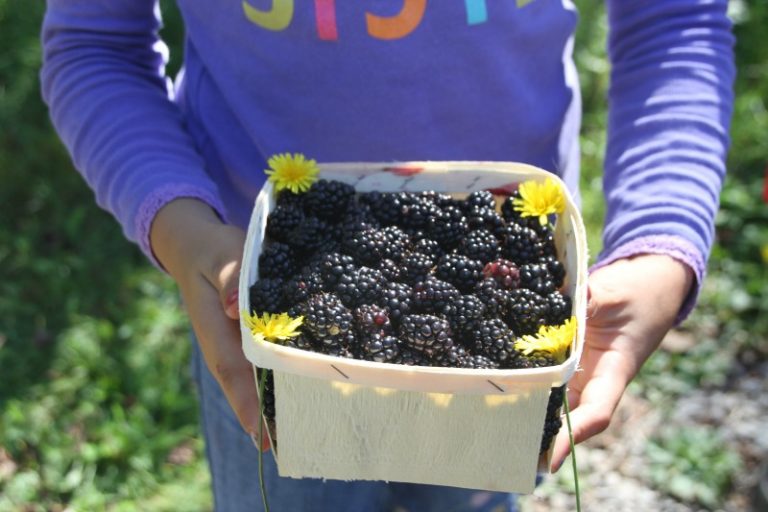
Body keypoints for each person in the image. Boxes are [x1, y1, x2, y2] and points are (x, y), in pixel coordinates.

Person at [40, 1, 734, 510]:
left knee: (471, 495)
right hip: (266, 324)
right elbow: (95, 46)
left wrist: (661, 242)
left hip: (503, 330)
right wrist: (183, 230)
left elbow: (673, 22)